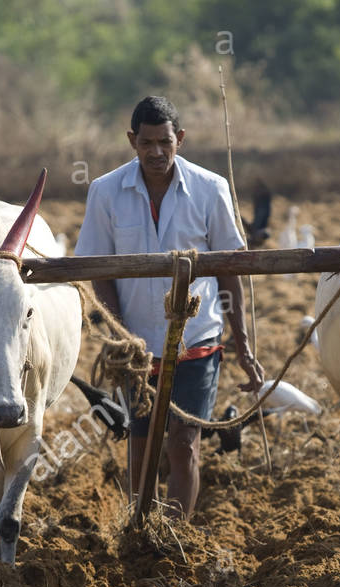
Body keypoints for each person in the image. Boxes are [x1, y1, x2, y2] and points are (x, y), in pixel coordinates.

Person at [75, 95, 264, 520]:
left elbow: (230, 269)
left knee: (184, 442)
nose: (156, 152)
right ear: (132, 141)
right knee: (140, 443)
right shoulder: (106, 192)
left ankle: (174, 535)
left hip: (197, 341)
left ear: (179, 139)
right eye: (147, 143)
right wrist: (120, 334)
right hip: (136, 349)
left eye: (165, 142)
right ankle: (138, 528)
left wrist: (244, 347)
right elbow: (97, 270)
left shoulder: (211, 188)